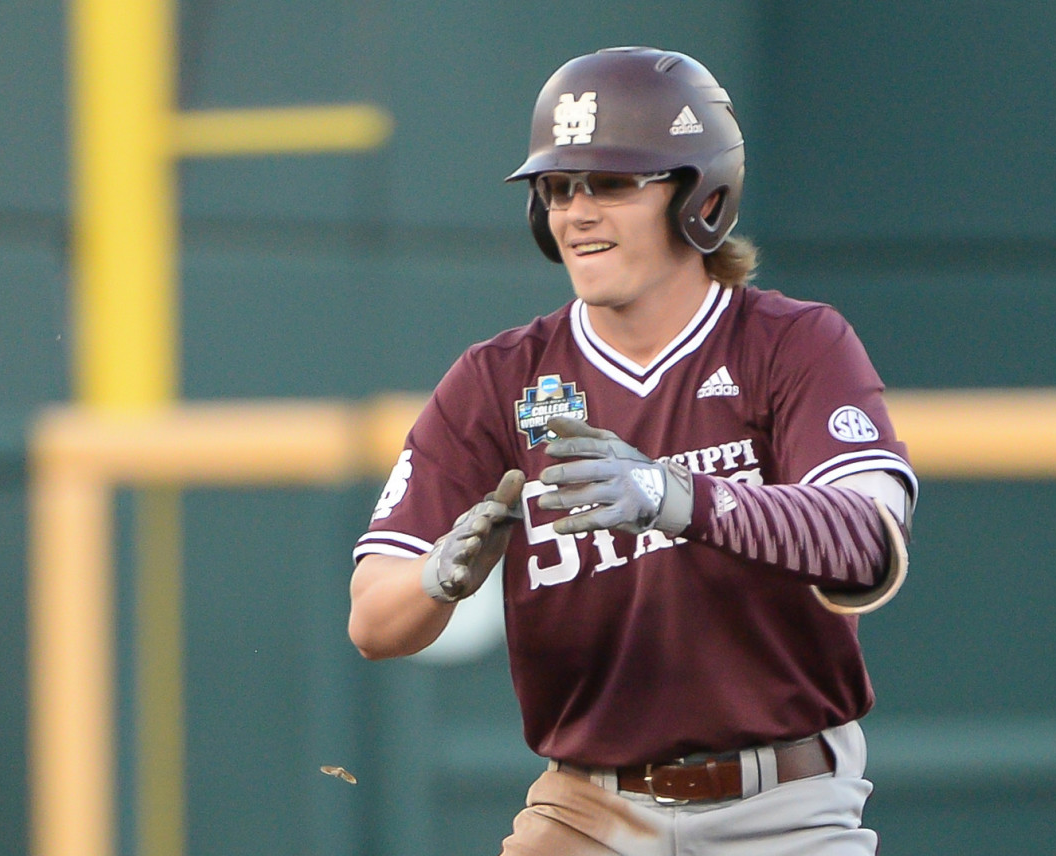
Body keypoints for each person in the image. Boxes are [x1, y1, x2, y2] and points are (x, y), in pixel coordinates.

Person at [349, 46, 917, 856]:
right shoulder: (499, 377)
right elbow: (372, 618)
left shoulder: (791, 343)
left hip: (785, 807)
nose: (577, 212)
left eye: (612, 184)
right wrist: (438, 576)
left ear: (700, 195)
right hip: (587, 809)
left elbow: (869, 538)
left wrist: (677, 497)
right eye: (558, 188)